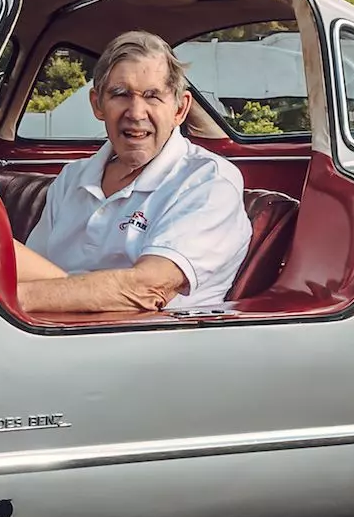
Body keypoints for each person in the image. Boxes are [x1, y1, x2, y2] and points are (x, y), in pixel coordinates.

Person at [14, 30, 250, 317]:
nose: (136, 112)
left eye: (152, 96)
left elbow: (149, 289)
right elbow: (30, 268)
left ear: (180, 109)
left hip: (154, 348)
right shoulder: (72, 178)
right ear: (97, 105)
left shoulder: (209, 182)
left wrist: (9, 299)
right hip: (43, 334)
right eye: (120, 94)